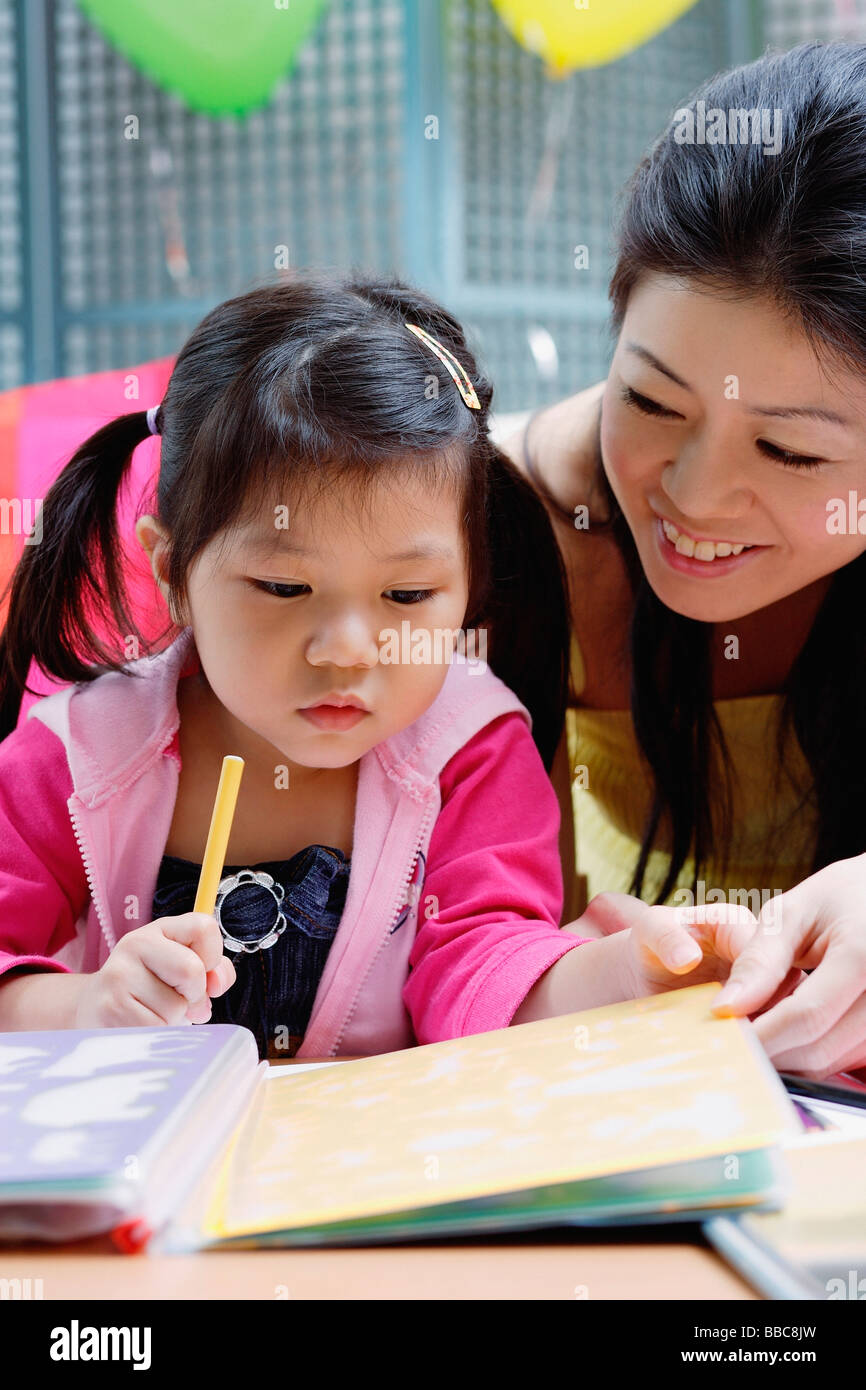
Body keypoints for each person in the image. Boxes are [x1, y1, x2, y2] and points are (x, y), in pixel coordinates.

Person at [0, 271, 746, 1061]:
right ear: (172, 573)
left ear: (468, 582)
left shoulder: (469, 750)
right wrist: (89, 1005)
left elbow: (485, 966)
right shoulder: (77, 755)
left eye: (408, 592)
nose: (350, 649)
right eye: (284, 586)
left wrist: (629, 974)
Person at [501, 41, 866, 1079]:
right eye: (651, 400)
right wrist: (546, 970)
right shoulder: (455, 547)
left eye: (790, 450)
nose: (691, 497)